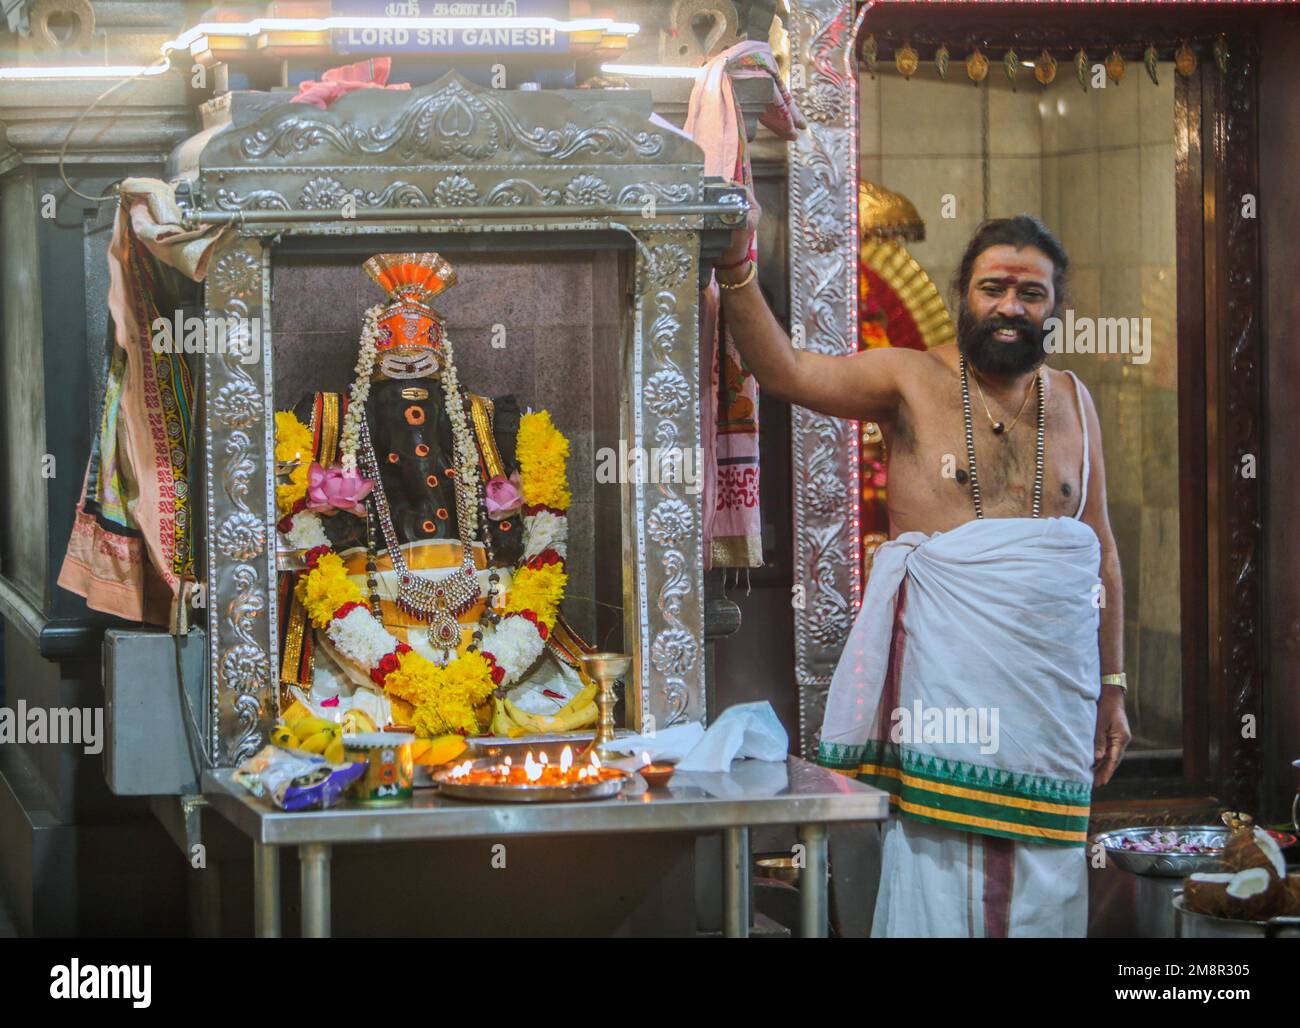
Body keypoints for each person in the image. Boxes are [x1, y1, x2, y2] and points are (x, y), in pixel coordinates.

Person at [715, 211, 1131, 937]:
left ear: (1054, 309)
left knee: (1047, 875)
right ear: (961, 293)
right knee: (942, 864)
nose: (1011, 306)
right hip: (948, 694)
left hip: (1053, 709)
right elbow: (783, 370)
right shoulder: (908, 377)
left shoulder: (1075, 402)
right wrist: (735, 268)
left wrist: (1115, 684)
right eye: (993, 287)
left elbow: (1098, 549)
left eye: (1031, 294)